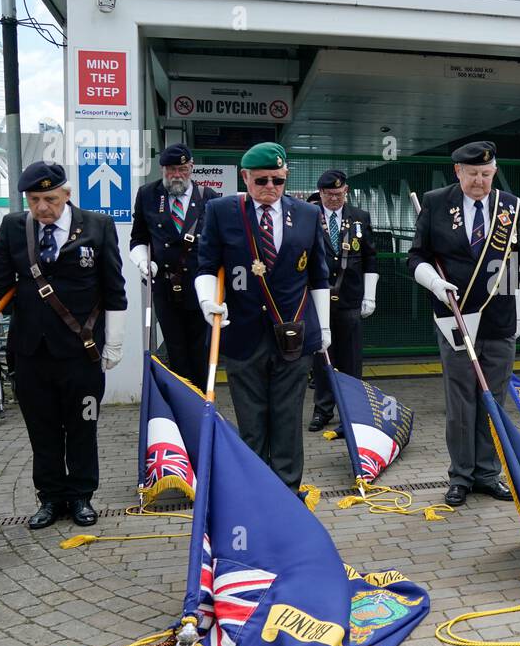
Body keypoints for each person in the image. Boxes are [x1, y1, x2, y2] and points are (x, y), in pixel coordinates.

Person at [0, 162, 127, 528]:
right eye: (34, 199)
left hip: (81, 352)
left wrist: (114, 342)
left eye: (50, 199)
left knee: (83, 427)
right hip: (30, 352)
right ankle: (50, 498)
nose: (41, 207)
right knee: (42, 430)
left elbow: (114, 290)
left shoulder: (97, 226)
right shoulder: (14, 227)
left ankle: (81, 495)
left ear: (66, 194)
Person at [195, 143, 331, 492]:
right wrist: (208, 301)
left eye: (278, 180)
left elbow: (318, 275)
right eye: (261, 180)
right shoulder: (221, 211)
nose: (270, 187)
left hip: (294, 334)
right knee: (251, 420)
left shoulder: (308, 214)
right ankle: (255, 490)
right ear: (245, 177)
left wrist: (325, 326)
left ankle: (286, 491)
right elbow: (206, 265)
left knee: (288, 418)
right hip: (242, 331)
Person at [408, 141, 520, 507]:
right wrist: (434, 283)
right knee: (461, 401)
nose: (480, 181)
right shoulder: (435, 202)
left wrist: (519, 312)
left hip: (498, 318)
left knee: (493, 398)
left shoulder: (510, 206)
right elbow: (416, 257)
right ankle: (461, 475)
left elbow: (516, 263)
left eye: (487, 174)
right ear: (457, 171)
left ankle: (488, 473)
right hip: (454, 317)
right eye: (473, 174)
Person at [128, 143, 217, 388]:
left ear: (191, 168)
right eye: (170, 170)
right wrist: (142, 261)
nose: (176, 175)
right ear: (162, 169)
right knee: (175, 349)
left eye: (182, 169)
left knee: (201, 350)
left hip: (199, 288)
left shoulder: (208, 197)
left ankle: (201, 400)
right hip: (165, 287)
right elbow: (138, 238)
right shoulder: (147, 194)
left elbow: (216, 244)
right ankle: (179, 400)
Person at [309, 169, 378, 432]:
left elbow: (370, 257)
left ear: (346, 191)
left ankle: (353, 410)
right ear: (320, 193)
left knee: (351, 359)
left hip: (350, 298)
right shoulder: (310, 216)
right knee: (322, 358)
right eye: (329, 194)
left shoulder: (359, 217)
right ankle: (323, 409)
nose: (334, 199)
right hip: (319, 299)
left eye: (339, 194)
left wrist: (369, 295)